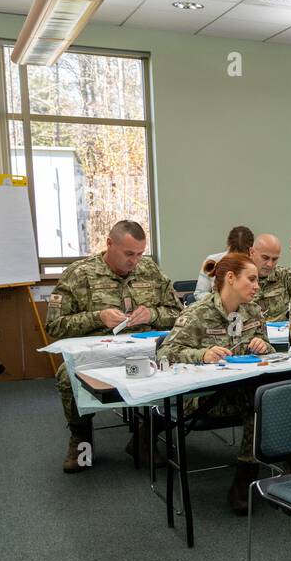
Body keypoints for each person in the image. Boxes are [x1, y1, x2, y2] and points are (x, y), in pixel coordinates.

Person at [46, 220, 182, 473]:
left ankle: (146, 436)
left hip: (144, 349)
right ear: (109, 244)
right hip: (97, 352)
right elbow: (54, 325)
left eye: (140, 254)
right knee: (67, 377)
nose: (135, 261)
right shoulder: (80, 274)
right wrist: (98, 318)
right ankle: (81, 439)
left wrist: (151, 314)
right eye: (129, 253)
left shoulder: (150, 270)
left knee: (183, 370)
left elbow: (178, 313)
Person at [159, 254, 271, 515]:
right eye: (251, 279)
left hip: (239, 390)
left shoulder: (252, 310)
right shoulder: (198, 313)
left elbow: (267, 349)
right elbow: (164, 354)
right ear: (230, 278)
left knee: (266, 398)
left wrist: (263, 346)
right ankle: (245, 480)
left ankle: (273, 468)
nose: (257, 286)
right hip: (202, 397)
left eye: (257, 280)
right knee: (259, 402)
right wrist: (201, 355)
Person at [250, 233, 291, 321]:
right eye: (265, 258)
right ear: (252, 252)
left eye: (274, 259)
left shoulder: (283, 275)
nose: (270, 264)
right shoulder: (239, 278)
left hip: (281, 332)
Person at [194, 225, 254, 301]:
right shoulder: (212, 261)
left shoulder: (255, 266)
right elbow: (200, 293)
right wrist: (219, 300)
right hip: (216, 309)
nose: (237, 260)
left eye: (242, 256)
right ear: (228, 246)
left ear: (251, 250)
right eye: (234, 255)